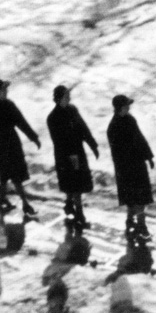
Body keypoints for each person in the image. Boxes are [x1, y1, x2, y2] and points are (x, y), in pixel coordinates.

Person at [0, 79, 42, 218]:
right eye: (3, 89)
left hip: (12, 144)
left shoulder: (9, 105)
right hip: (0, 147)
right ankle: (25, 204)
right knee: (14, 177)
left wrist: (33, 137)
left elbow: (21, 122)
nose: (6, 91)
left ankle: (3, 199)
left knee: (6, 177)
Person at [46, 85, 99, 231]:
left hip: (78, 152)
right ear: (59, 98)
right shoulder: (52, 118)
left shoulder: (72, 109)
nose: (69, 97)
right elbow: (58, 140)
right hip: (65, 156)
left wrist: (93, 145)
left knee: (75, 184)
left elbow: (82, 127)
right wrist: (71, 155)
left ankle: (69, 205)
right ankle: (80, 216)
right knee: (76, 186)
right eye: (66, 96)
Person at [106, 93, 155, 245]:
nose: (129, 107)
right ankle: (141, 226)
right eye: (126, 105)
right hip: (126, 168)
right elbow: (117, 153)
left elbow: (140, 138)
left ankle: (131, 221)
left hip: (138, 165)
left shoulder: (131, 120)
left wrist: (148, 157)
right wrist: (127, 166)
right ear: (119, 108)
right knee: (135, 199)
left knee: (138, 198)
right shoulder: (113, 127)